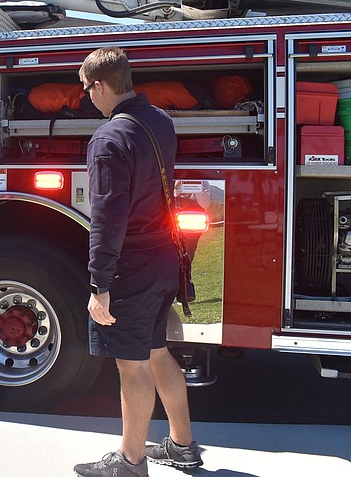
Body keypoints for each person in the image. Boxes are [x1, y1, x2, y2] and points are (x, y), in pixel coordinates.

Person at [73, 47, 203, 477]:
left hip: (131, 266)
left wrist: (99, 284)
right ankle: (182, 446)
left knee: (132, 366)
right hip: (165, 257)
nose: (87, 98)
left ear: (100, 85)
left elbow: (108, 219)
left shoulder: (108, 139)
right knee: (157, 352)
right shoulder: (160, 121)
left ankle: (130, 462)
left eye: (86, 89)